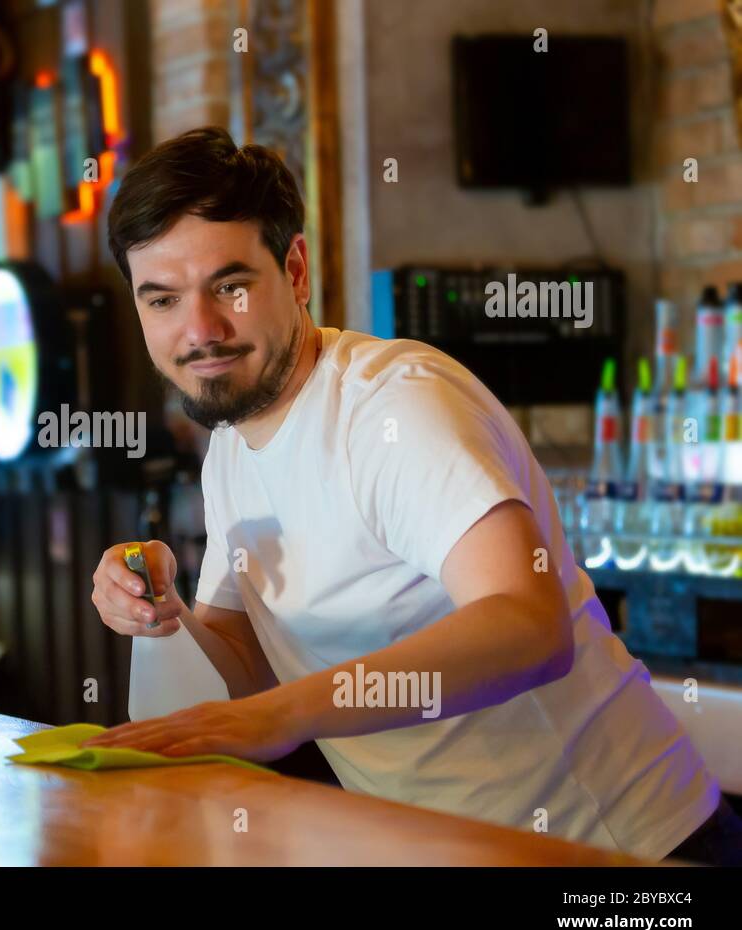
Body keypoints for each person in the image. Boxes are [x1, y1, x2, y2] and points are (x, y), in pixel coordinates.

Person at [86, 126, 741, 864]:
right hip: (449, 849)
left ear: (295, 271)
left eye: (230, 286)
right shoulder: (233, 442)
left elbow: (529, 626)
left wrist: (283, 717)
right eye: (164, 299)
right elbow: (244, 665)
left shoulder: (393, 408)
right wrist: (160, 613)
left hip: (624, 849)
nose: (199, 329)